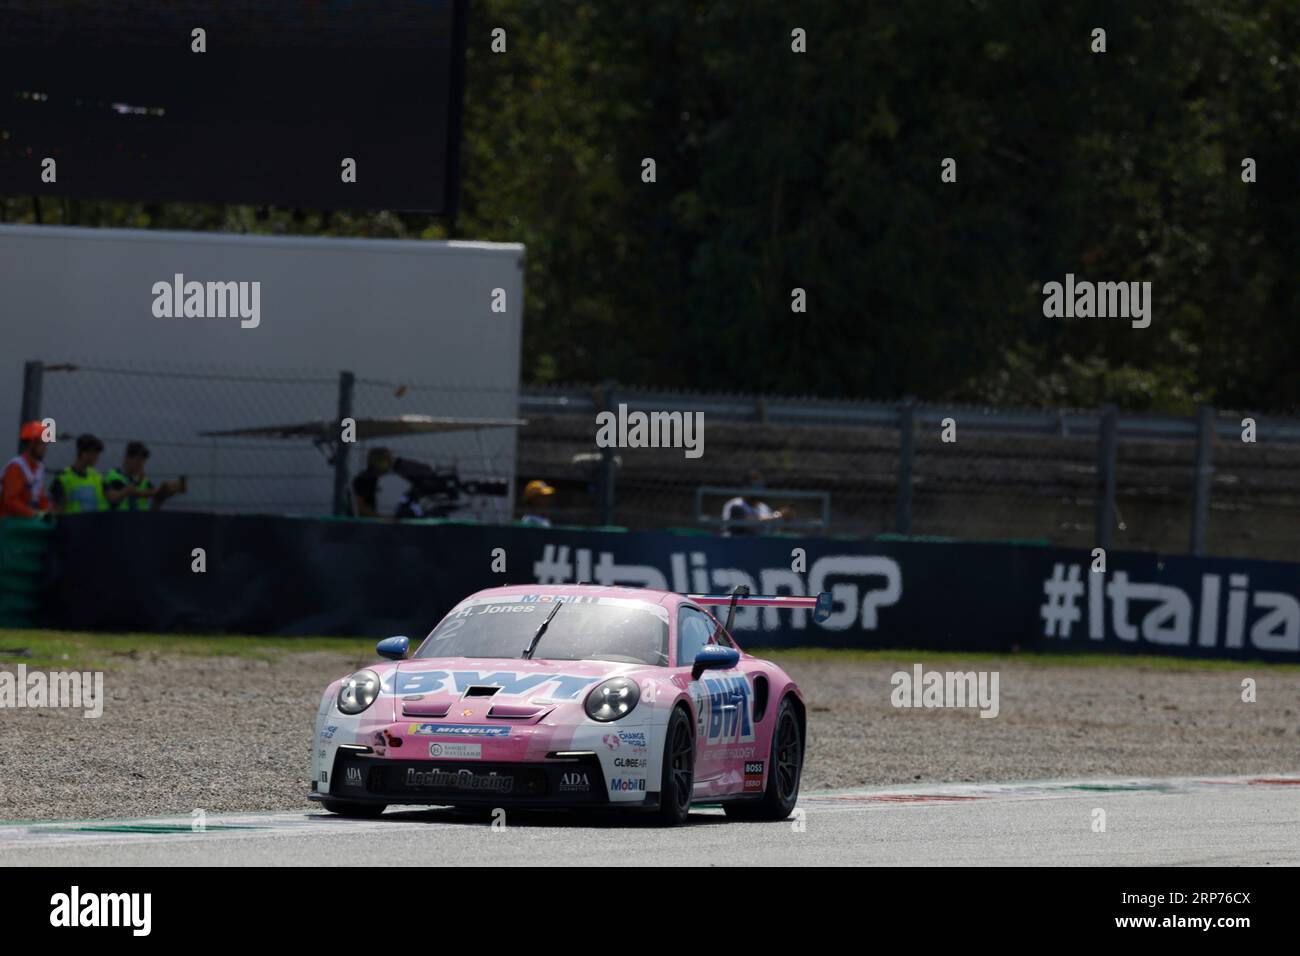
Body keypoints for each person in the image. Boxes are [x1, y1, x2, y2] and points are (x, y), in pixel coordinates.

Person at [105, 441, 186, 511]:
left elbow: (156, 494)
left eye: (143, 462)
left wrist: (170, 490)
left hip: (141, 521)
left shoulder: (143, 480)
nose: (141, 465)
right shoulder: (114, 476)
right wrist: (159, 490)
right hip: (118, 521)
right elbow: (132, 493)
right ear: (127, 458)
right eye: (138, 460)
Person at [0, 421, 51, 518]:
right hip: (8, 522)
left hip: (25, 520)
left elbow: (40, 496)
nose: (45, 448)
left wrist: (46, 511)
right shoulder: (16, 468)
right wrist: (33, 513)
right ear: (31, 444)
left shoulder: (38, 468)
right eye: (43, 443)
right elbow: (10, 501)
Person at [49, 434, 109, 514]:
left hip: (96, 524)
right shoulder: (62, 479)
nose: (97, 457)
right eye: (94, 453)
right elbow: (57, 509)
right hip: (73, 524)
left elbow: (112, 496)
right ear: (84, 453)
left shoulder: (97, 477)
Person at [721, 469, 785, 537]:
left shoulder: (764, 508)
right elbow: (746, 524)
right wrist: (777, 515)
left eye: (760, 482)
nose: (759, 485)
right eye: (754, 482)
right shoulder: (734, 504)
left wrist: (780, 520)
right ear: (746, 486)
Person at [351, 446, 394, 517]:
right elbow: (359, 507)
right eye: (387, 460)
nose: (391, 463)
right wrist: (382, 519)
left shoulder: (373, 479)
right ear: (376, 461)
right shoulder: (364, 480)